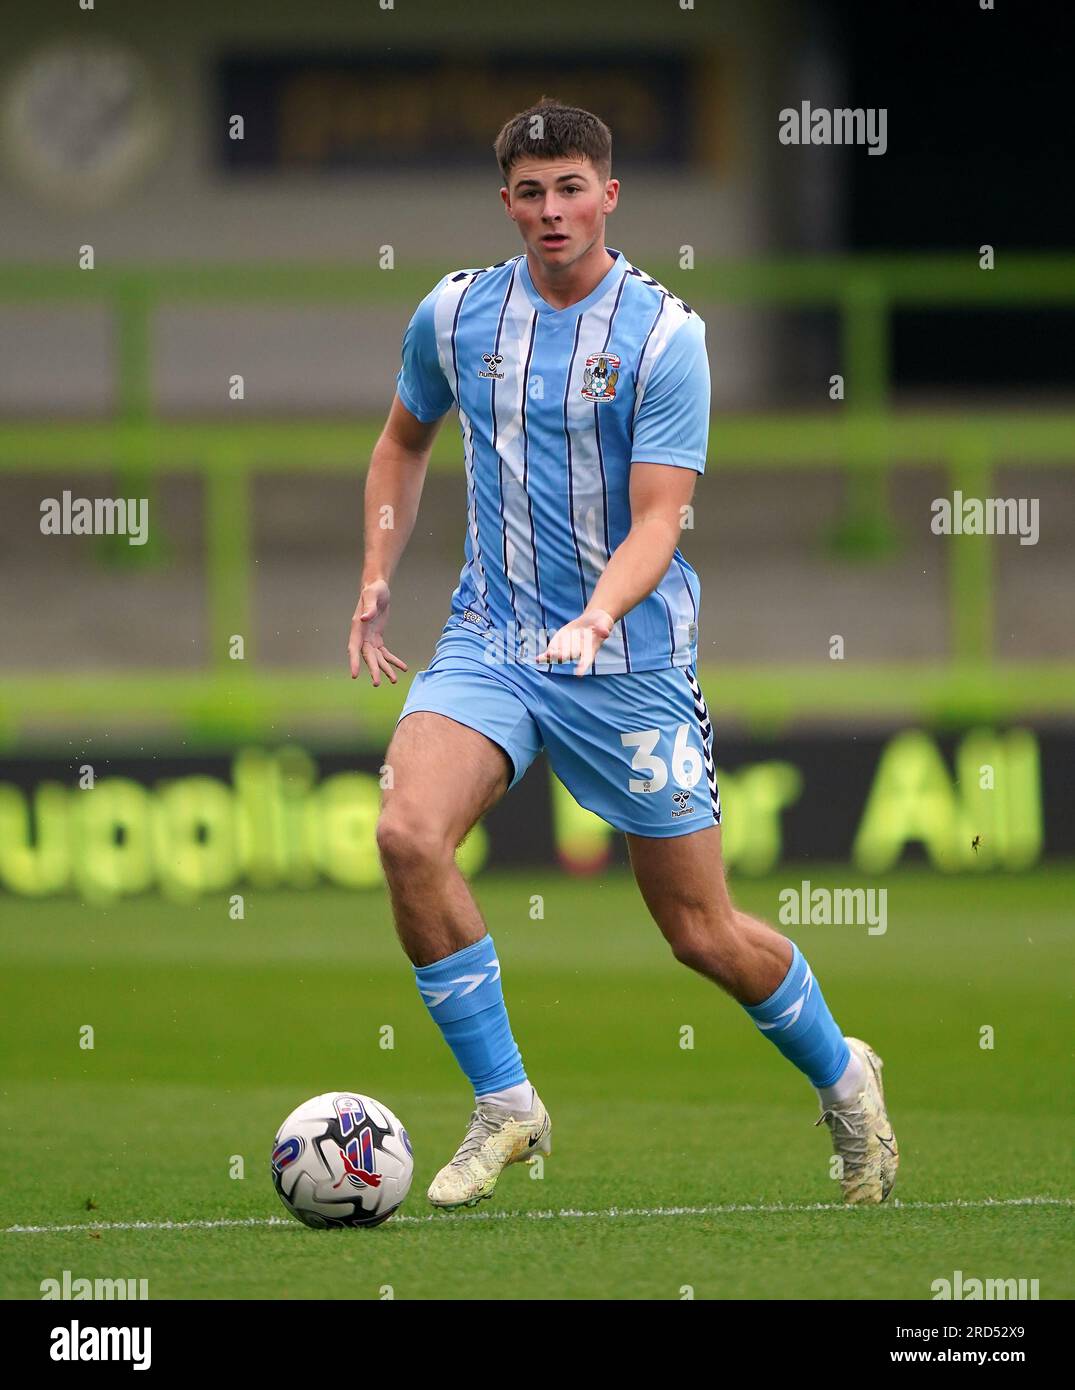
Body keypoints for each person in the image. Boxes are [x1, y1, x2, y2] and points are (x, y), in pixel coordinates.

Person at [347, 97, 897, 1211]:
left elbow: (658, 518)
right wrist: (375, 573)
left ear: (608, 193)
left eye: (571, 187)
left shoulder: (661, 335)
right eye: (531, 192)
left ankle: (844, 1076)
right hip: (491, 640)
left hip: (628, 660)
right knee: (408, 833)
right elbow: (404, 439)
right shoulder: (453, 314)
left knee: (699, 933)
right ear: (505, 202)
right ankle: (507, 1106)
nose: (552, 210)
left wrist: (596, 615)